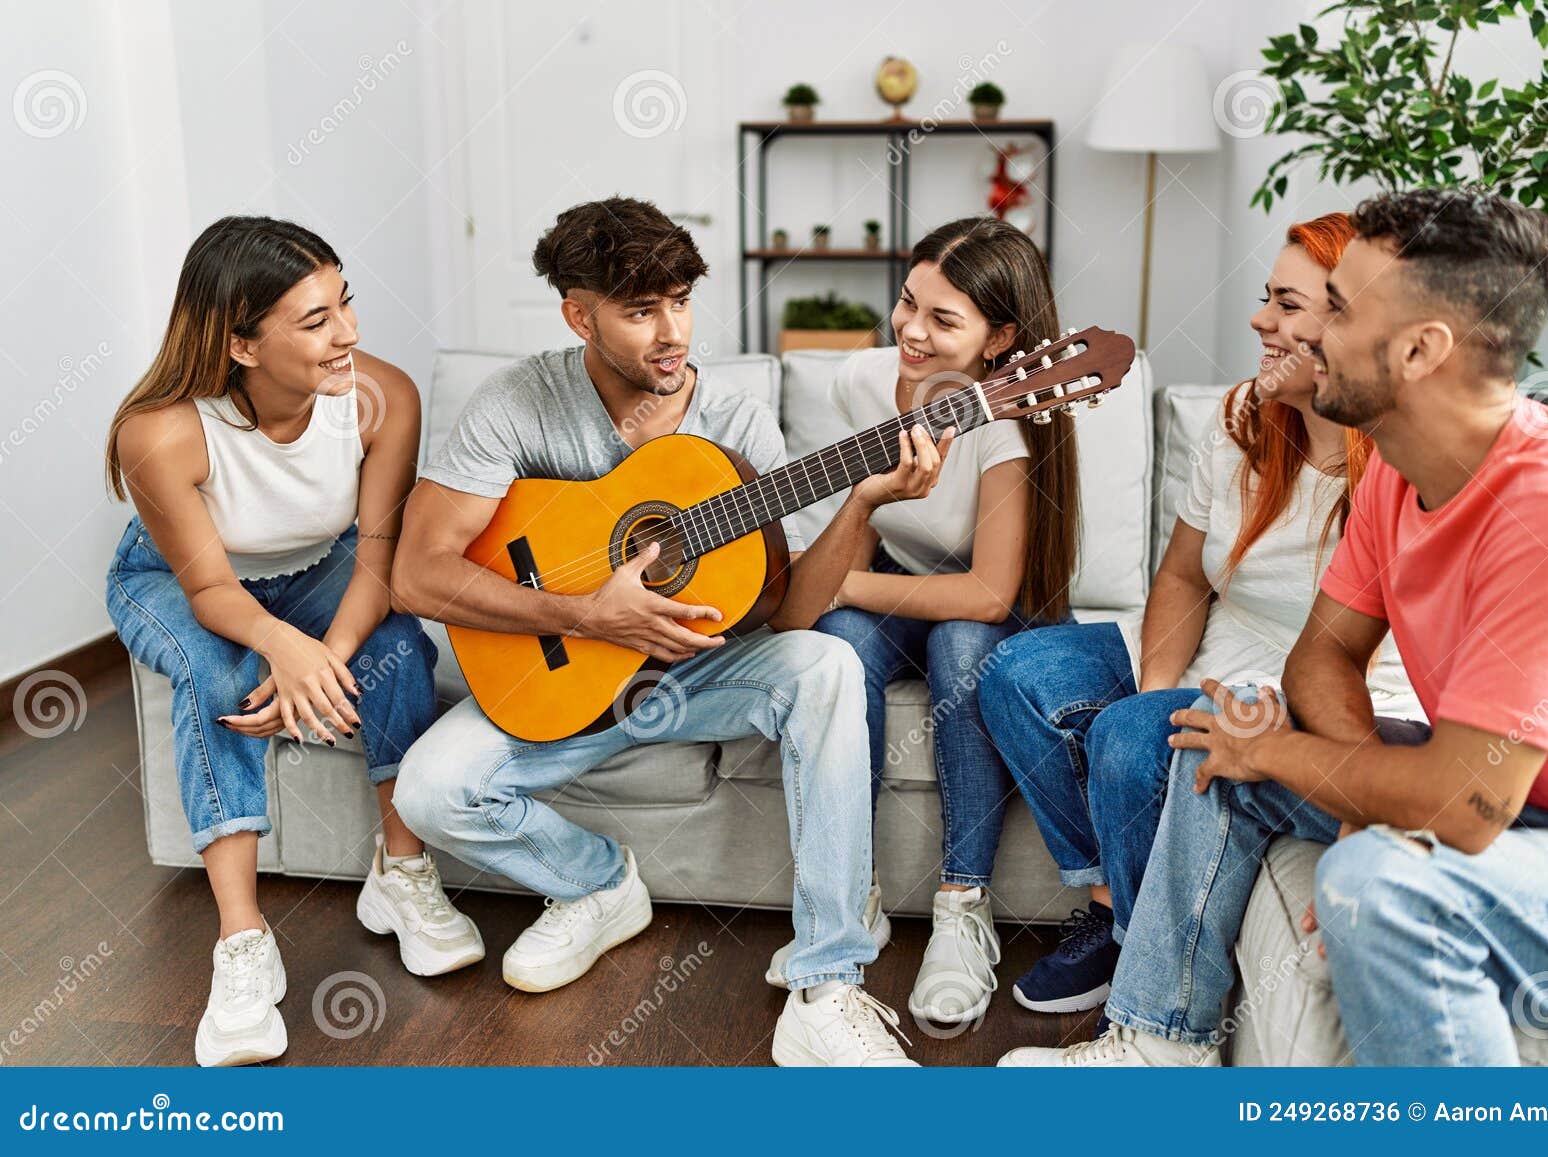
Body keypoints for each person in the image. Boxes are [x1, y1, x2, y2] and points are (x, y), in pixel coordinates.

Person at [1001, 187, 1548, 1067]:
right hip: (1508, 796)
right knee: (1226, 724)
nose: (1310, 334)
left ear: (1421, 349)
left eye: (1341, 310)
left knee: (1375, 882)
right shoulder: (1399, 462)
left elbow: (1471, 806)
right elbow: (1322, 656)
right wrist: (1357, 793)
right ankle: (1159, 1048)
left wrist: (1300, 765)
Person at [389, 197, 950, 1066]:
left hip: (692, 676)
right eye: (641, 310)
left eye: (681, 302)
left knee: (830, 662)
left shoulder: (735, 424)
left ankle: (827, 983)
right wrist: (582, 613)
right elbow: (417, 571)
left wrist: (863, 503)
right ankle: (599, 885)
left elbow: (791, 613)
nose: (672, 332)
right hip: (565, 673)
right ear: (579, 315)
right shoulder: (518, 402)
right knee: (427, 789)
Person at [980, 213, 1419, 1018]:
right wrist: (1157, 686)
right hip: (1203, 669)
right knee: (1015, 670)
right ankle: (1115, 896)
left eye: (1287, 304)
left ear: (1351, 323)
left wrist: (1144, 723)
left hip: (1305, 704)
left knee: (1128, 735)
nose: (1259, 319)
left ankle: (1131, 950)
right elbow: (1183, 576)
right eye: (1266, 297)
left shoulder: (1400, 468)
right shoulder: (1245, 417)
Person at [104, 217, 478, 1068]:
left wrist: (325, 657)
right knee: (218, 669)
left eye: (345, 303)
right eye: (315, 321)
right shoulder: (160, 432)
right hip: (175, 576)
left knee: (396, 642)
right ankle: (242, 941)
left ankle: (401, 873)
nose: (348, 332)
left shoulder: (383, 398)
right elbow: (210, 591)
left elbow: (378, 558)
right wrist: (281, 646)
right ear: (240, 344)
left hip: (320, 564)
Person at [773, 216, 1081, 1032]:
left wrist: (845, 584)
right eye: (908, 302)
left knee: (960, 641)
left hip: (997, 611)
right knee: (838, 643)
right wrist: (843, 580)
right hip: (904, 579)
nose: (911, 329)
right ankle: (850, 897)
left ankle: (961, 905)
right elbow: (843, 559)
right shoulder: (861, 382)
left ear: (999, 338)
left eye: (943, 319)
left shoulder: (1005, 421)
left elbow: (987, 595)